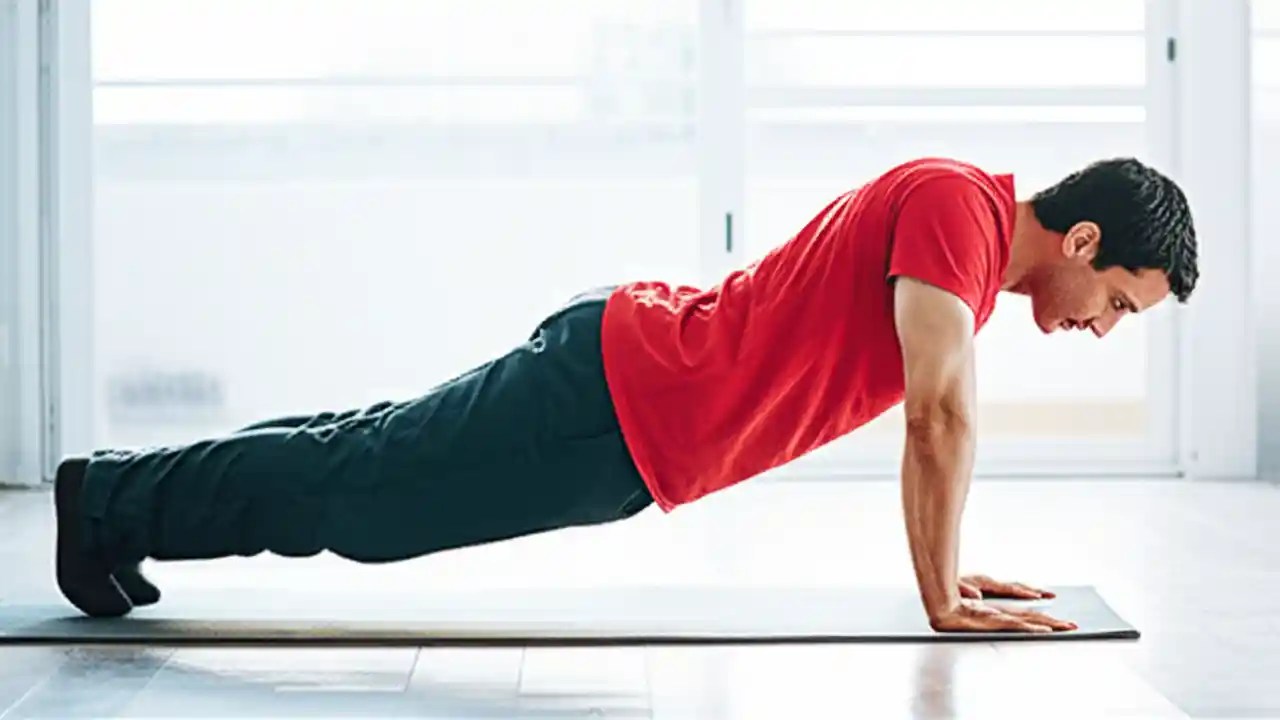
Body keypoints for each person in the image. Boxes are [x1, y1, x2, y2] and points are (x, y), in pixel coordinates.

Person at [54, 156, 1198, 632]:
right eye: (1116, 302)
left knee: (368, 462)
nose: (1101, 328)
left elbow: (933, 399)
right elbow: (937, 415)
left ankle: (116, 499)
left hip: (622, 414)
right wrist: (936, 598)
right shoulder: (960, 212)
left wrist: (942, 569)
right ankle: (108, 502)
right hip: (614, 396)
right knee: (364, 494)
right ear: (1083, 237)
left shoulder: (963, 249)